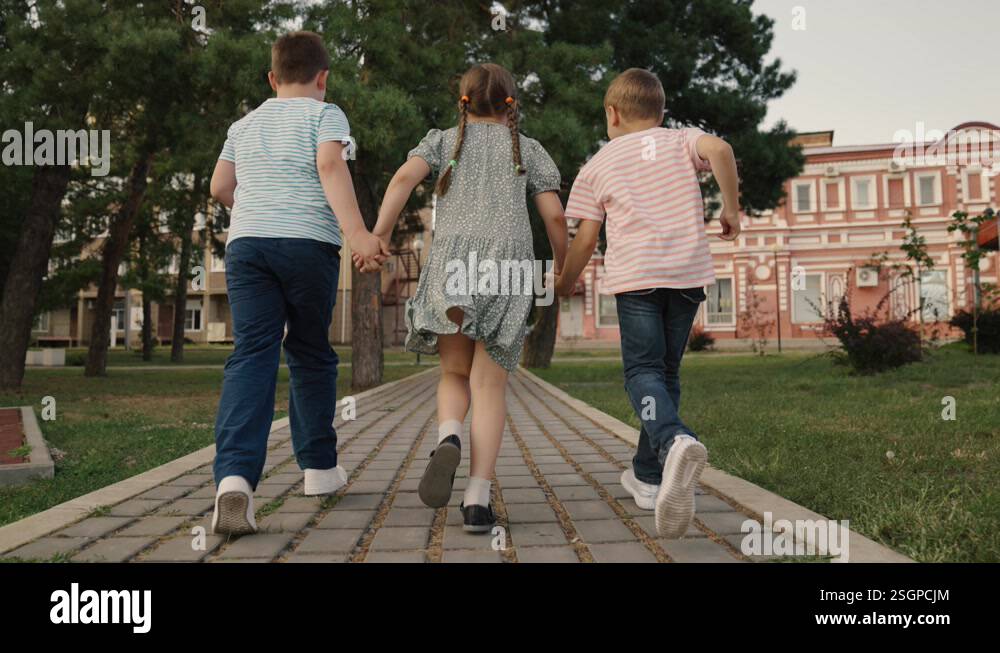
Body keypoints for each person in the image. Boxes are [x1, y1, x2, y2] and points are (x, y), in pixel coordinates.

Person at [357, 63, 568, 532]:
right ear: (512, 104)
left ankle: (448, 434)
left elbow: (400, 181)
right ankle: (477, 499)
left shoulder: (441, 141)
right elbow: (555, 217)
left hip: (454, 262)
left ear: (464, 102)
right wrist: (562, 264)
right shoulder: (528, 150)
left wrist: (379, 234)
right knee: (489, 386)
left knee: (453, 372)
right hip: (510, 268)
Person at [208, 31, 388, 535]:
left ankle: (234, 482)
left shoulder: (242, 125)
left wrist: (256, 209)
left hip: (247, 247)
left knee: (251, 354)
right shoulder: (325, 115)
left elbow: (221, 186)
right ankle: (319, 471)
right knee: (310, 351)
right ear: (323, 78)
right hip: (308, 244)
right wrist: (357, 234)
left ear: (272, 77)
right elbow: (330, 165)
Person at [555, 68, 741, 538]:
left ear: (612, 114)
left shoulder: (598, 163)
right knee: (666, 375)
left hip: (637, 280)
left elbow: (586, 238)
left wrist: (564, 281)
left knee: (641, 374)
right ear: (661, 110)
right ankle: (648, 474)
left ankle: (675, 439)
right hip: (686, 277)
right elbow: (721, 150)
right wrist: (731, 208)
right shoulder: (682, 141)